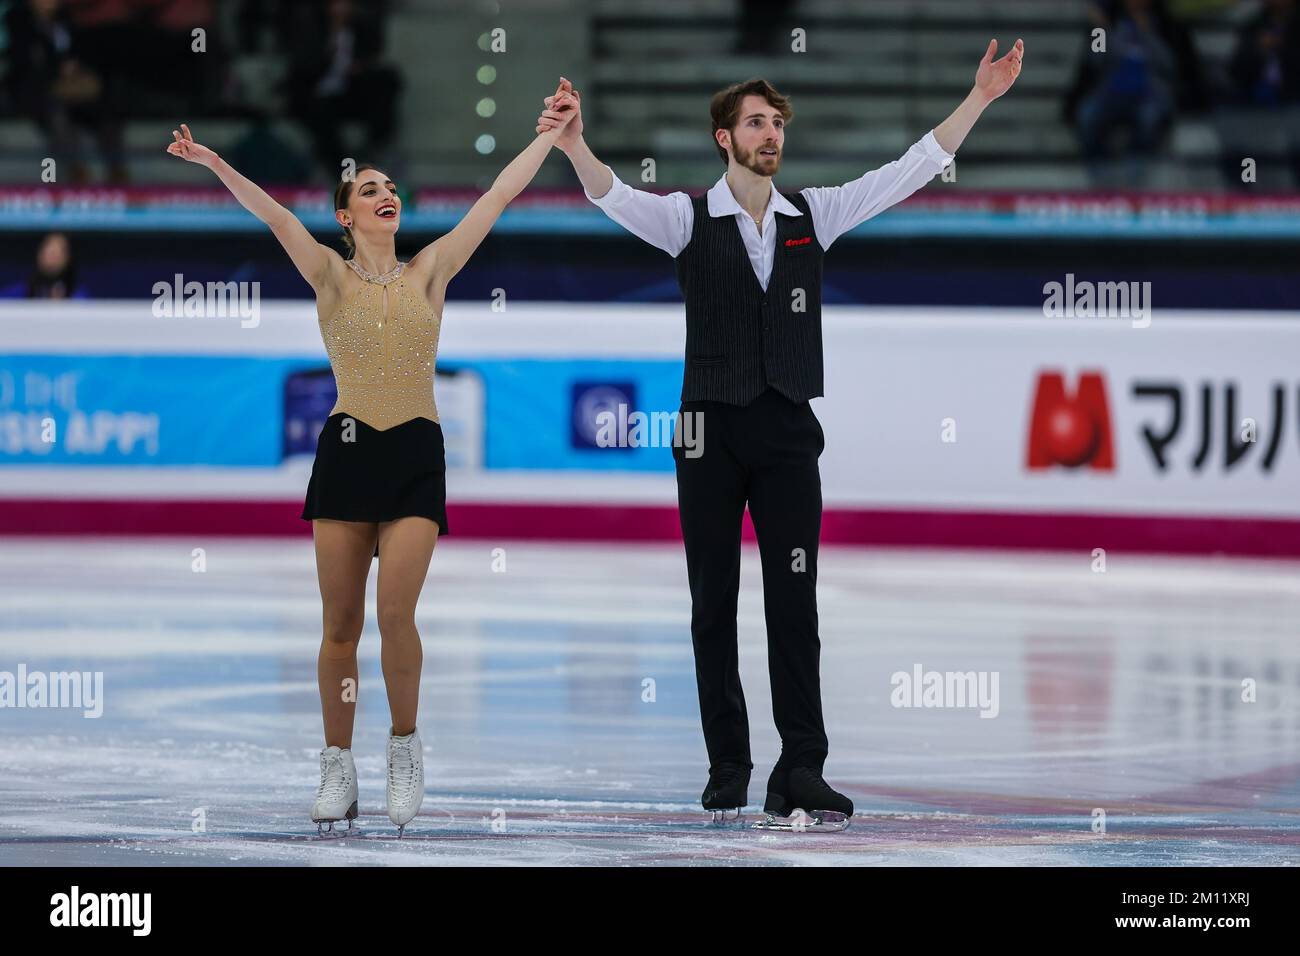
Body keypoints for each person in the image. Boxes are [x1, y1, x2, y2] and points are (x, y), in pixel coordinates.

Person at [536, 41, 1023, 828]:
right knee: (713, 602)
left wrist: (981, 99)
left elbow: (910, 169)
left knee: (794, 602)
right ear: (724, 138)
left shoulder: (813, 215)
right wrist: (574, 144)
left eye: (777, 124)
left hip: (788, 430)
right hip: (707, 432)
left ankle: (801, 767)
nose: (771, 134)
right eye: (757, 123)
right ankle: (728, 764)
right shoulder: (685, 219)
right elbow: (611, 194)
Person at [164, 92, 578, 835]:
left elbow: (497, 195)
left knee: (395, 614)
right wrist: (215, 162)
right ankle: (336, 764)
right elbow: (276, 218)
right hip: (347, 452)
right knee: (340, 625)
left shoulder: (431, 271)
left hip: (416, 450)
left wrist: (550, 138)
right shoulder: (330, 276)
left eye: (390, 187)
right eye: (368, 190)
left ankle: (404, 748)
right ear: (346, 216)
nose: (386, 194)